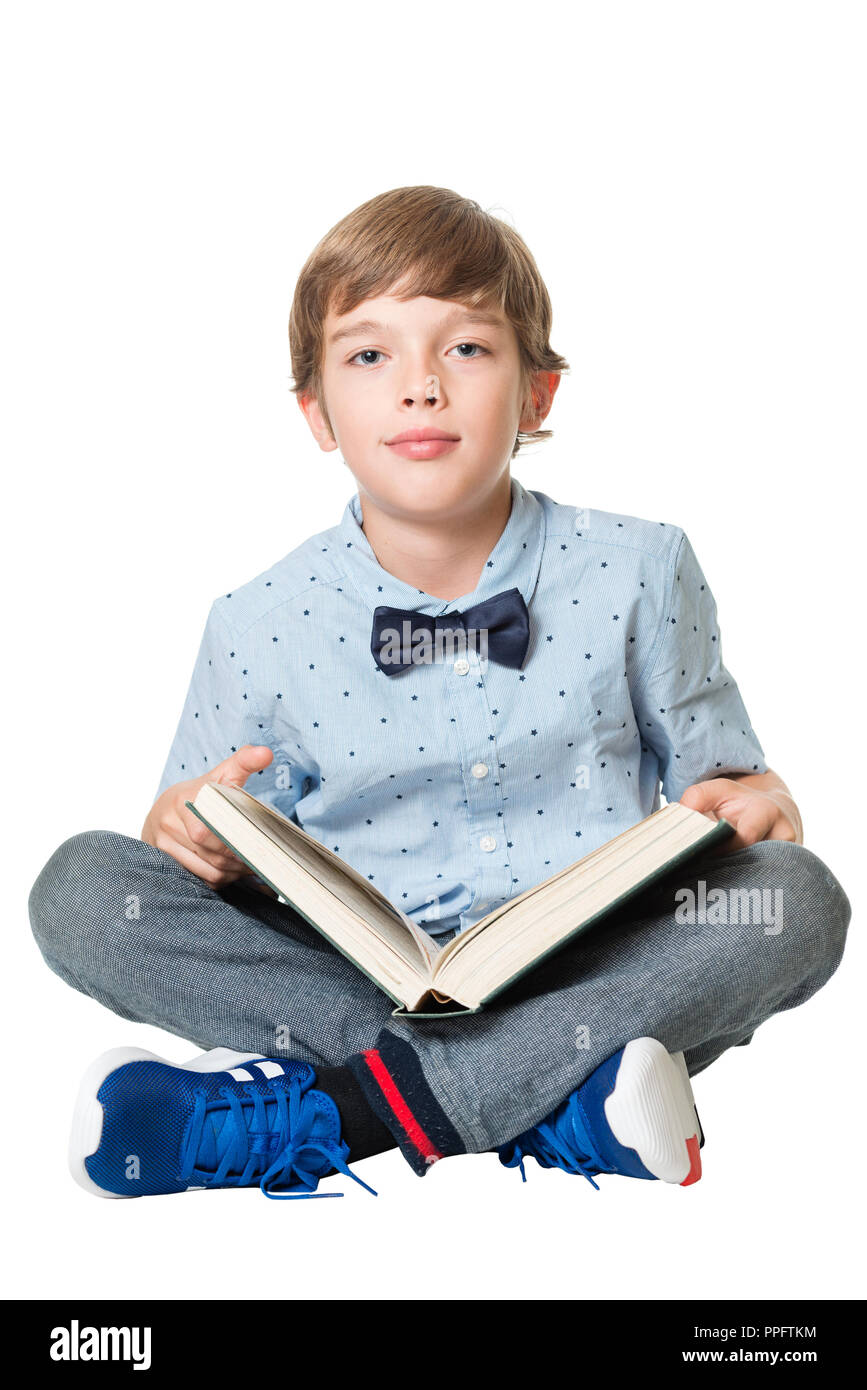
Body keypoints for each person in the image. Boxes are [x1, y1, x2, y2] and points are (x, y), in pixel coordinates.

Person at [29, 185, 851, 1201]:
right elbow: (199, 844)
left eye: (465, 349)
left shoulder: (644, 566)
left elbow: (733, 784)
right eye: (369, 355)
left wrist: (765, 806)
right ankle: (564, 1100)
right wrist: (183, 832)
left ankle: (340, 1112)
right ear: (316, 412)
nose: (419, 387)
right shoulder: (255, 617)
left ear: (538, 395)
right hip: (350, 980)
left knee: (796, 903)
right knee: (79, 890)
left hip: (589, 968)